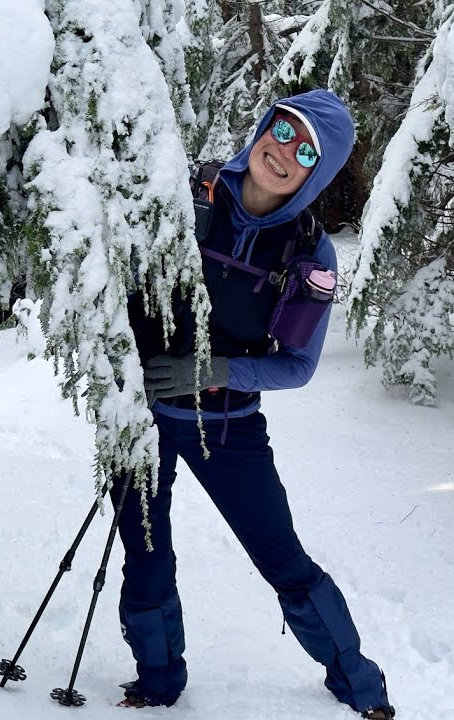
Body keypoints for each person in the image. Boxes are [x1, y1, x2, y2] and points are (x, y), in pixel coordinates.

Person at [115, 90, 396, 720]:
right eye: (283, 130)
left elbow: (297, 366)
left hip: (227, 425)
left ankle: (360, 686)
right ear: (264, 127)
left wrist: (214, 368)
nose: (283, 152)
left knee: (281, 556)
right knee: (146, 550)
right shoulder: (187, 195)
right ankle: (156, 684)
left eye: (305, 152)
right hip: (141, 413)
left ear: (315, 173)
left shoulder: (307, 253)